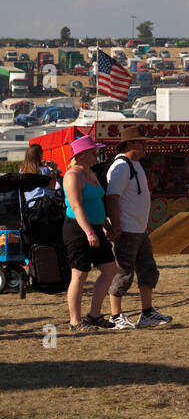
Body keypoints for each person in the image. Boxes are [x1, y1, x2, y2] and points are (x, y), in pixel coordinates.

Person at [105, 131, 172, 329]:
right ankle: (115, 315)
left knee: (147, 270)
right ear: (130, 143)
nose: (145, 146)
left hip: (138, 229)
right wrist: (116, 226)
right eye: (141, 142)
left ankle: (147, 312)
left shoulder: (135, 165)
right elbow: (112, 197)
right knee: (123, 272)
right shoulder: (120, 167)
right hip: (126, 229)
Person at [62, 134, 118, 335]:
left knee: (110, 269)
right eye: (94, 152)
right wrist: (88, 232)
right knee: (79, 273)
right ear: (83, 154)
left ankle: (94, 314)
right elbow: (76, 206)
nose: (97, 155)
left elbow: (95, 203)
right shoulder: (72, 175)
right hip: (78, 229)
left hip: (95, 226)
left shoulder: (92, 173)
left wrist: (105, 224)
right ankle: (75, 321)